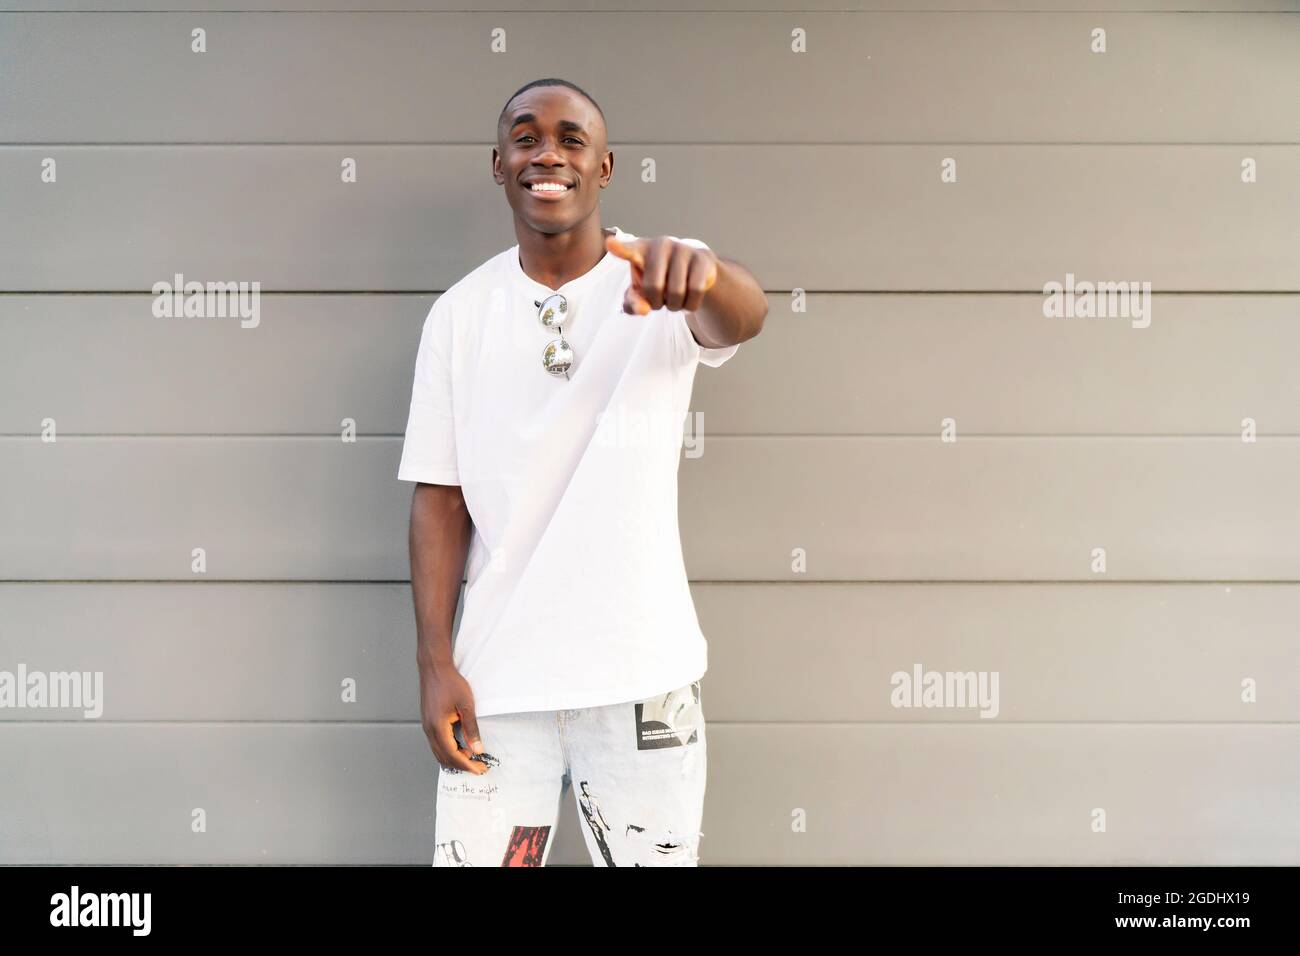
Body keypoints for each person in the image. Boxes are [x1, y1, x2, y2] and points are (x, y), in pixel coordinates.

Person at [399, 77, 767, 867]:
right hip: (498, 689)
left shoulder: (662, 279)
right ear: (498, 164)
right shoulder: (460, 314)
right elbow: (439, 496)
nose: (547, 155)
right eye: (526, 137)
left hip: (645, 684)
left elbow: (745, 314)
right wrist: (436, 662)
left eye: (572, 139)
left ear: (604, 168)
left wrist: (702, 276)